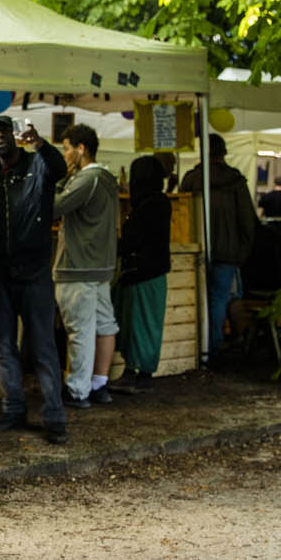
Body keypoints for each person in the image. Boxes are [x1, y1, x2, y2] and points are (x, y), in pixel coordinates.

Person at [0, 116, 69, 444]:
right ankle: (13, 408)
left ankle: (54, 415)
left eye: (3, 133)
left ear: (15, 136)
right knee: (3, 346)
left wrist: (40, 143)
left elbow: (60, 169)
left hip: (35, 272)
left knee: (43, 345)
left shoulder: (37, 164)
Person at [53, 123, 120, 409]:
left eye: (67, 148)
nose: (65, 154)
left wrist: (56, 181)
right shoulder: (108, 178)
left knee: (80, 330)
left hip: (79, 265)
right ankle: (99, 384)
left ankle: (78, 390)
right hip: (102, 265)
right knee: (105, 325)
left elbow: (55, 206)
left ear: (81, 149)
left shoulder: (87, 178)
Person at [179, 134, 257, 367]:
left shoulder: (192, 179)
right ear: (223, 152)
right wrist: (242, 252)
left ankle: (192, 350)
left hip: (195, 251)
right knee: (217, 302)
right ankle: (210, 349)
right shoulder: (235, 182)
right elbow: (248, 221)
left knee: (193, 301)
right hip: (228, 253)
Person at [115, 155, 172, 388]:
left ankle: (132, 373)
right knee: (149, 325)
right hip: (155, 273)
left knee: (137, 324)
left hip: (142, 273)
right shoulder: (160, 202)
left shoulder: (147, 207)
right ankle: (144, 373)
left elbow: (132, 241)